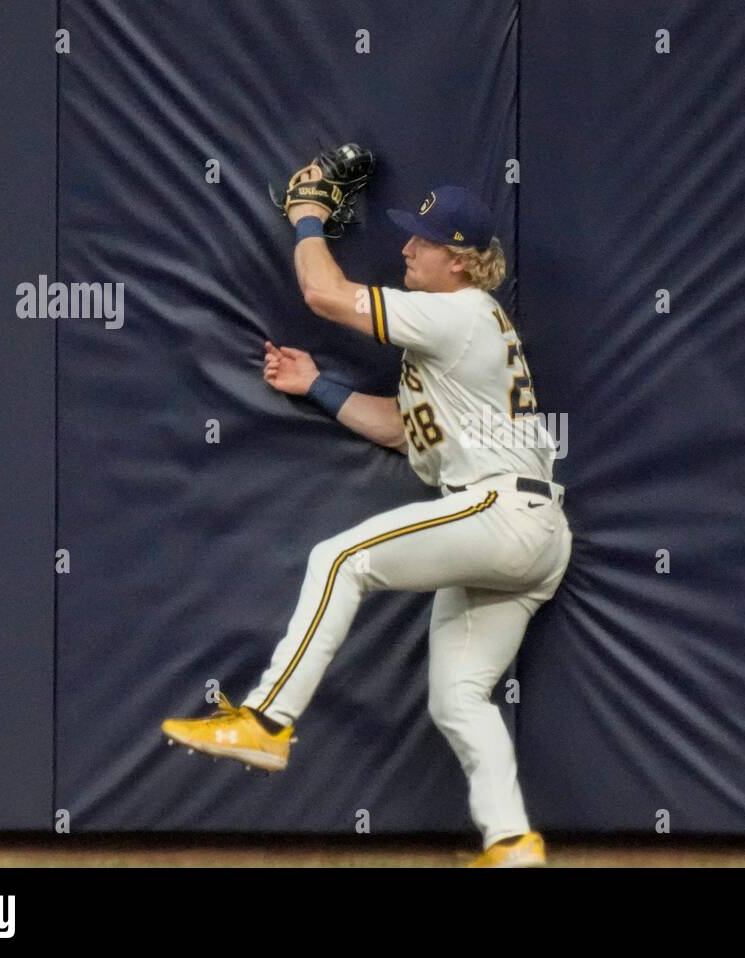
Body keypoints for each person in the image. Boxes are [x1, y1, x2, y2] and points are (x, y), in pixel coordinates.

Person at [161, 167, 572, 868]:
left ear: (462, 262)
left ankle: (267, 721)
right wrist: (316, 385)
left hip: (500, 511)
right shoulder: (451, 333)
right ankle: (513, 845)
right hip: (529, 532)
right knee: (460, 699)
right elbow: (398, 429)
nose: (407, 250)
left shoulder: (460, 312)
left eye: (425, 243)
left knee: (339, 559)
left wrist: (308, 216)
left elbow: (323, 293)